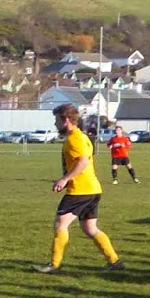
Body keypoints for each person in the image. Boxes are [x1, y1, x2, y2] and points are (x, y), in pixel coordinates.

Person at [35, 104, 122, 273]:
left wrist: (65, 179)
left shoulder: (74, 139)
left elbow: (83, 162)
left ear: (66, 120)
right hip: (92, 189)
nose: (55, 124)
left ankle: (54, 265)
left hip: (80, 190)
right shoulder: (82, 137)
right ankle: (114, 261)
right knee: (90, 228)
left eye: (57, 120)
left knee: (60, 224)